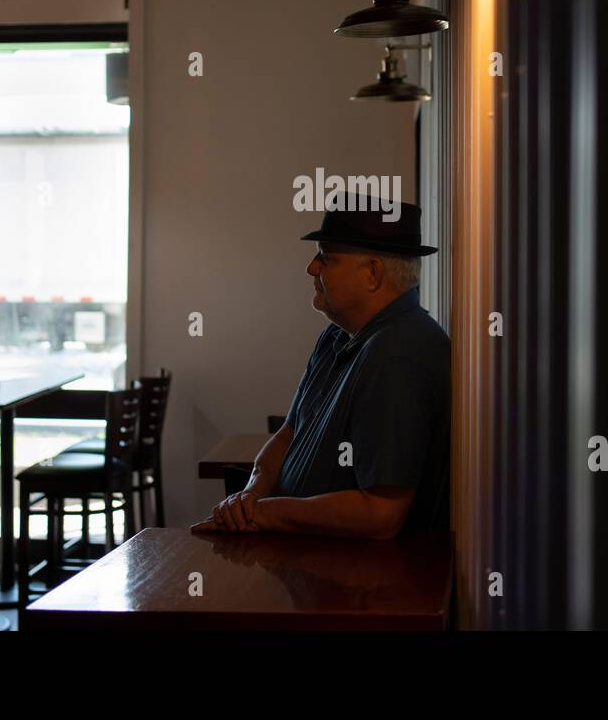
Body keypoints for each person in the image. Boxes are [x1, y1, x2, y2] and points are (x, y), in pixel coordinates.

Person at [191, 194, 450, 539]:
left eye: (327, 258)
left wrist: (265, 512)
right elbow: (289, 433)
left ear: (372, 274)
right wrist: (251, 493)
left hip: (355, 578)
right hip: (308, 556)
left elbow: (380, 515)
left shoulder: (399, 354)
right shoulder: (338, 335)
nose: (311, 268)